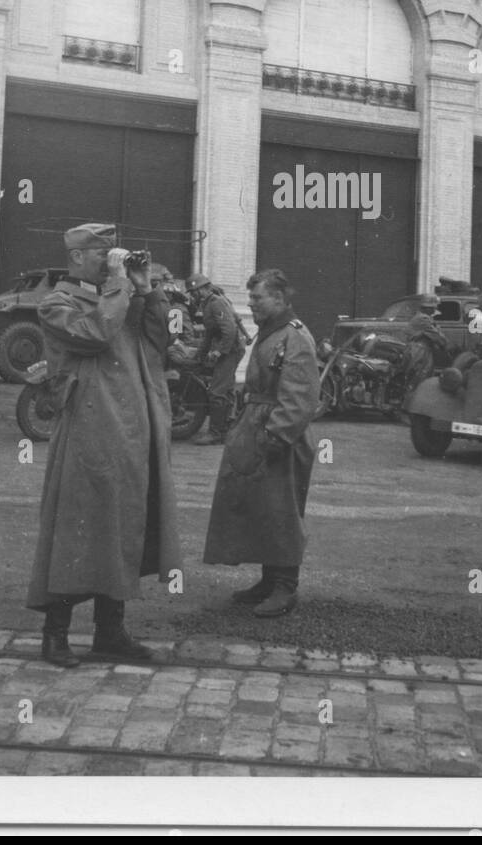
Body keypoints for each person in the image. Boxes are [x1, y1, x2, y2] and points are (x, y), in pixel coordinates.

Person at [25, 225, 183, 668]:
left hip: (132, 433)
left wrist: (148, 291)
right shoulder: (58, 304)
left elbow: (161, 339)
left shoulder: (121, 296)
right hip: (87, 435)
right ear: (75, 257)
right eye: (100, 252)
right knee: (75, 528)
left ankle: (110, 633)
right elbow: (96, 334)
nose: (109, 259)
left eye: (111, 252)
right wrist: (119, 285)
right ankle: (54, 635)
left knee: (121, 530)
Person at [203, 269, 320, 618]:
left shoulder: (294, 337)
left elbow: (300, 398)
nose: (251, 303)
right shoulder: (271, 333)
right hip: (258, 428)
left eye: (258, 298)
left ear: (280, 300)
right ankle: (269, 582)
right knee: (263, 510)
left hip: (279, 438)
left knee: (281, 512)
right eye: (250, 297)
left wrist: (274, 437)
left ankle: (286, 587)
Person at [187, 273, 249, 446]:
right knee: (226, 388)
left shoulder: (216, 303)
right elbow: (210, 333)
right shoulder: (208, 304)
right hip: (229, 349)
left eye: (194, 291)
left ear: (204, 289)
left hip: (231, 350)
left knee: (216, 391)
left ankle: (215, 433)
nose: (193, 295)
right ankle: (227, 429)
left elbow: (229, 330)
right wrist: (200, 353)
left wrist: (219, 352)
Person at [399, 295, 451, 398]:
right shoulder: (423, 318)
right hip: (419, 350)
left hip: (421, 349)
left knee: (419, 377)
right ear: (427, 308)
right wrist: (447, 344)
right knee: (419, 378)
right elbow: (436, 335)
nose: (434, 310)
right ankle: (411, 403)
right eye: (433, 308)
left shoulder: (422, 317)